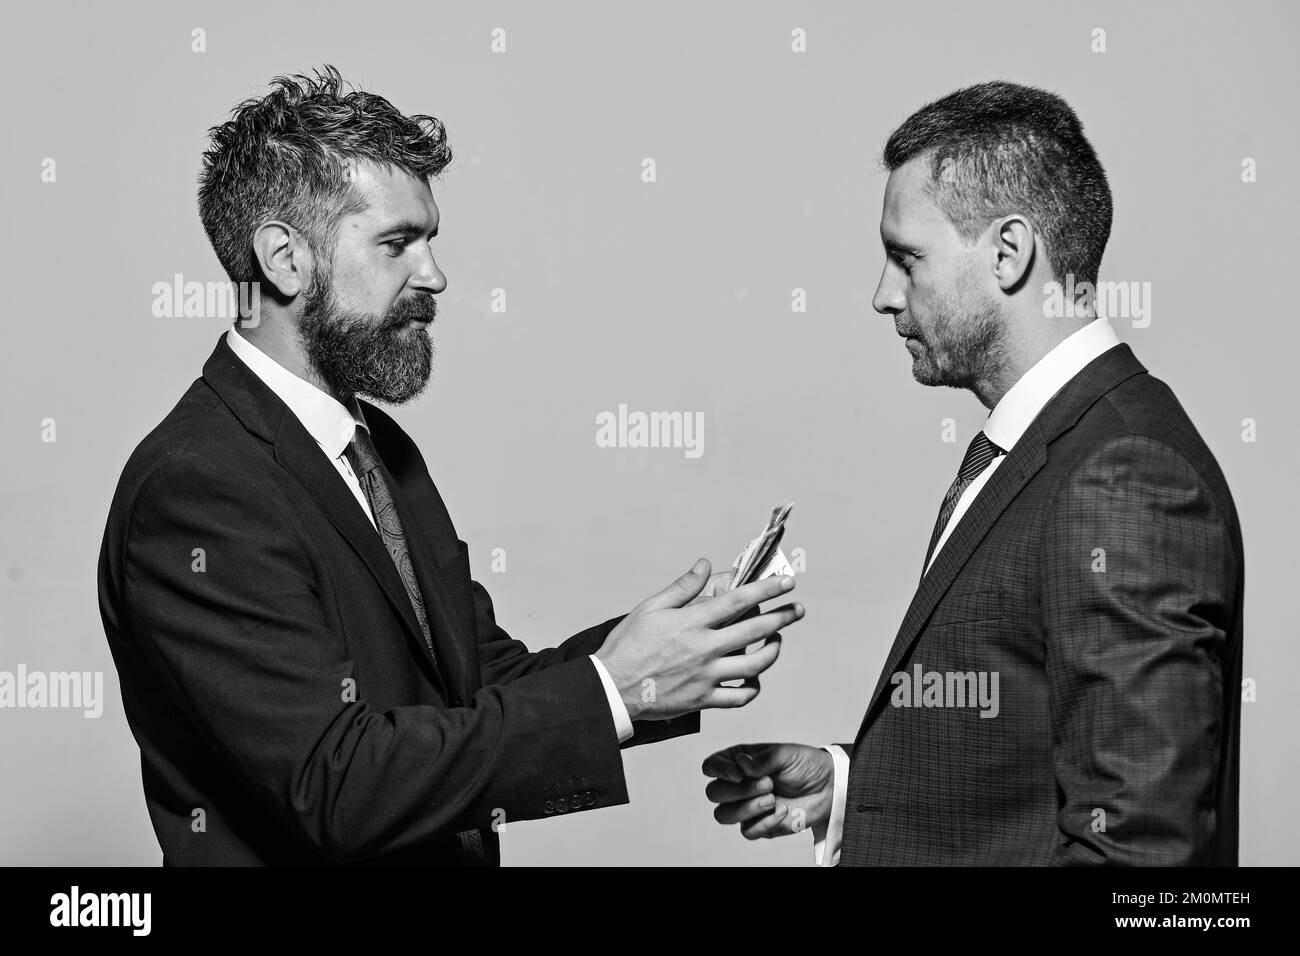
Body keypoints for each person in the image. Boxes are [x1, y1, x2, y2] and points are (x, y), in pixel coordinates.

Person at [97, 66, 803, 866]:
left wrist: (670, 652)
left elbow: (476, 684)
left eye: (430, 241)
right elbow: (338, 783)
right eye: (399, 242)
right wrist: (614, 687)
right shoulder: (197, 488)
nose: (435, 276)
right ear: (285, 260)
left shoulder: (377, 448)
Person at [704, 81, 1243, 866]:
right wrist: (857, 787)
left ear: (1009, 251)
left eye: (905, 257)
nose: (883, 296)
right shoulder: (1044, 449)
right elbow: (1027, 753)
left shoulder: (1123, 476)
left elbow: (1139, 854)